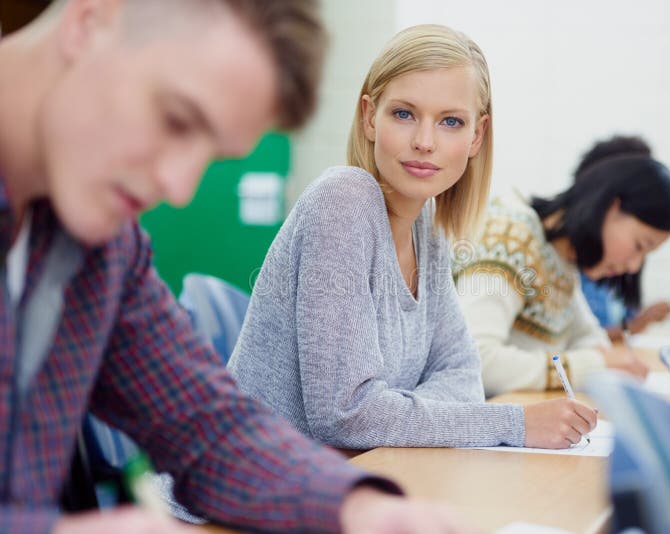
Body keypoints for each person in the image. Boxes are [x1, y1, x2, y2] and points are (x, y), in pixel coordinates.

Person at [0, 1, 475, 532]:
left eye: (211, 155)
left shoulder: (101, 245)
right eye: (176, 119)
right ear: (90, 20)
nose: (178, 188)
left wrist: (359, 507)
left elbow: (205, 425)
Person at [229, 24, 598, 451]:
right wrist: (512, 424)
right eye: (404, 114)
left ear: (476, 136)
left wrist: (390, 414)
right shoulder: (343, 201)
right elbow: (348, 416)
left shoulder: (428, 225)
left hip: (345, 484)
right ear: (369, 117)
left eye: (450, 121)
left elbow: (463, 378)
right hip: (235, 500)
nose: (424, 142)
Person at [453, 139, 670, 397]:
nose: (633, 266)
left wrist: (598, 361)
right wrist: (591, 365)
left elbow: (591, 341)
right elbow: (475, 362)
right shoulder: (511, 236)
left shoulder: (559, 258)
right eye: (640, 245)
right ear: (611, 208)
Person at [575, 136, 670, 342]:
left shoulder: (622, 259)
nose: (634, 265)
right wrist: (636, 324)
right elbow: (579, 339)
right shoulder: (573, 259)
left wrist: (639, 321)